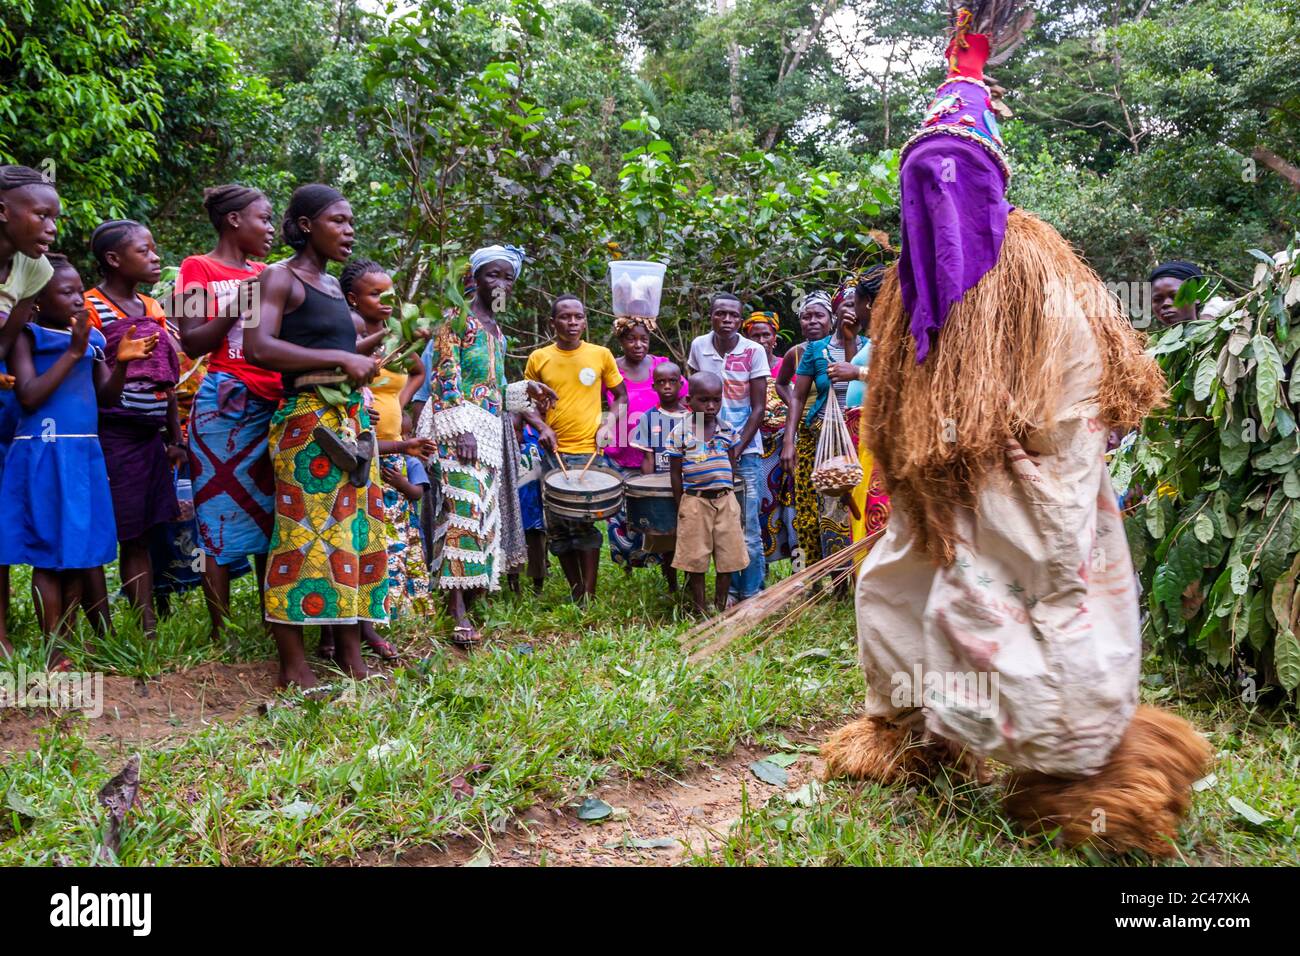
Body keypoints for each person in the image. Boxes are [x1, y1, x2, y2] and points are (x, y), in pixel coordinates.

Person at [821, 14, 1210, 858]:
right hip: (937, 479)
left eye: (955, 182)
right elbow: (894, 386)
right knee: (893, 587)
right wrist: (920, 462)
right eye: (924, 186)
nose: (941, 200)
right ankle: (914, 735)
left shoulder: (1041, 272)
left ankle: (1083, 774)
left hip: (1030, 475)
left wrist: (1000, 456)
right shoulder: (908, 282)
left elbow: (1086, 392)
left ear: (991, 186)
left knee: (1037, 607)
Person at [243, 183, 387, 688]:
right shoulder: (277, 278)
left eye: (351, 222)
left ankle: (350, 651)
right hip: (305, 423)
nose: (349, 231)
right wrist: (341, 357)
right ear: (306, 226)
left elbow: (336, 351)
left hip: (348, 421)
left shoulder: (332, 290)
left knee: (352, 533)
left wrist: (370, 349)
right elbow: (257, 348)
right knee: (303, 536)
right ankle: (293, 664)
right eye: (338, 221)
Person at [0, 255, 155, 661]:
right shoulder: (27, 337)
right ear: (36, 301)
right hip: (45, 452)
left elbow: (107, 398)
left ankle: (67, 640)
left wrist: (120, 363)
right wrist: (73, 350)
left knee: (77, 552)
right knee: (49, 554)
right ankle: (54, 648)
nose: (76, 299)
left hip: (83, 453)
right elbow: (29, 396)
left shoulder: (95, 340)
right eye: (65, 292)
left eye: (77, 289)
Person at [416, 243, 554, 644]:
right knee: (460, 511)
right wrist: (461, 430)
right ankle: (456, 609)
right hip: (456, 428)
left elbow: (491, 387)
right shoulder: (456, 321)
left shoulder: (497, 332)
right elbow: (446, 379)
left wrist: (528, 389)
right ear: (473, 279)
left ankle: (469, 597)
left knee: (482, 516)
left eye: (507, 277)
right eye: (492, 275)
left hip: (487, 429)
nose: (500, 284)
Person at [178, 184, 278, 642]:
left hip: (275, 402)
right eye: (264, 218)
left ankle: (270, 616)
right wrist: (239, 300)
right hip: (225, 404)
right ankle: (222, 629)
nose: (272, 228)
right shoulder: (196, 268)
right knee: (218, 511)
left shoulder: (268, 271)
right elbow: (192, 341)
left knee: (273, 510)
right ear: (234, 220)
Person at [87, 220, 183, 640]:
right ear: (113, 259)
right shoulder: (90, 307)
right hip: (109, 434)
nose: (155, 257)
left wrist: (174, 436)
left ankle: (146, 626)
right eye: (144, 251)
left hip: (150, 437)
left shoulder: (153, 308)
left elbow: (168, 380)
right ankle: (99, 629)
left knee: (142, 533)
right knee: (102, 531)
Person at [342, 259, 431, 648]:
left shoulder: (397, 337)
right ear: (352, 299)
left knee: (397, 529)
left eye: (389, 293)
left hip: (394, 445)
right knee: (366, 533)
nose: (386, 300)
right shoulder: (346, 336)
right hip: (361, 449)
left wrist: (399, 399)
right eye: (376, 294)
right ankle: (359, 617)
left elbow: (417, 372)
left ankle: (397, 605)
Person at [524, 293, 628, 602]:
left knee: (583, 522)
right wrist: (541, 427)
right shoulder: (538, 358)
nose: (572, 323)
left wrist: (609, 425)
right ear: (552, 322)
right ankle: (575, 590)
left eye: (578, 317)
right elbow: (522, 400)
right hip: (552, 454)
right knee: (558, 527)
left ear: (585, 320)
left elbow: (620, 396)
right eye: (565, 317)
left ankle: (588, 595)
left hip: (588, 453)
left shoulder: (601, 354)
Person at [0, 165, 59, 656]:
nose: (52, 227)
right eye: (41, 215)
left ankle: (0, 635)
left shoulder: (34, 270)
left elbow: (5, 343)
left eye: (54, 217)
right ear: (3, 212)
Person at [686, 293, 768, 603]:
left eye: (733, 315)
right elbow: (695, 397)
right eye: (721, 314)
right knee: (718, 524)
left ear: (741, 319)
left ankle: (750, 593)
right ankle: (727, 593)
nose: (727, 320)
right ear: (712, 317)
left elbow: (758, 408)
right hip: (708, 452)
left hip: (743, 452)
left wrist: (735, 448)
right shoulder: (699, 347)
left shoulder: (754, 351)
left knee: (746, 525)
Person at [781, 290, 863, 578]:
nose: (849, 312)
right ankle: (828, 577)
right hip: (819, 435)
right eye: (845, 307)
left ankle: (857, 571)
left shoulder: (869, 346)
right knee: (821, 508)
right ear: (837, 313)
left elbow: (856, 385)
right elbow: (798, 397)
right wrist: (788, 441)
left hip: (858, 436)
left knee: (856, 502)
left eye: (855, 306)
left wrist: (851, 340)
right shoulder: (815, 350)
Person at [603, 315, 683, 574]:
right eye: (631, 339)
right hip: (622, 451)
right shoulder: (611, 368)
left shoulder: (662, 366)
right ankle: (627, 565)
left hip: (659, 455)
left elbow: (687, 400)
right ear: (621, 341)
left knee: (658, 511)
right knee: (622, 513)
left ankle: (660, 564)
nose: (638, 345)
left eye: (643, 339)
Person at [668, 371, 748, 613]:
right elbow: (675, 473)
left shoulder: (728, 430)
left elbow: (732, 463)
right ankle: (700, 608)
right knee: (695, 559)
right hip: (695, 501)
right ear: (688, 401)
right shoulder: (680, 433)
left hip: (725, 500)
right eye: (704, 400)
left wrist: (728, 488)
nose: (711, 406)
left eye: (716, 399)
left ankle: (721, 606)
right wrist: (681, 504)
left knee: (729, 556)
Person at [835, 267, 891, 549]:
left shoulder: (897, 333)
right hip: (860, 431)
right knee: (858, 504)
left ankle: (876, 583)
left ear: (868, 302)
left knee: (874, 508)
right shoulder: (878, 335)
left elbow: (902, 378)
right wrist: (849, 340)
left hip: (877, 432)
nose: (853, 308)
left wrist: (857, 372)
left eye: (855, 301)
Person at [628, 360, 690, 591]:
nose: (667, 386)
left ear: (680, 383)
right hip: (662, 488)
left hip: (688, 486)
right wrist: (649, 491)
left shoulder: (693, 417)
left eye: (672, 381)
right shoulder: (648, 418)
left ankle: (691, 581)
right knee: (667, 536)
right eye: (661, 382)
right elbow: (648, 459)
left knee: (690, 535)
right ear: (654, 386)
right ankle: (672, 583)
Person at [742, 310, 795, 565]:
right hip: (759, 451)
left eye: (767, 334)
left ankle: (801, 572)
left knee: (794, 511)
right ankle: (762, 571)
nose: (762, 340)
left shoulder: (790, 365)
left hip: (789, 446)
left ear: (775, 337)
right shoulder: (743, 368)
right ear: (747, 338)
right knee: (761, 511)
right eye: (756, 335)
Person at [506, 416, 548, 595]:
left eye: (517, 431)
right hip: (512, 516)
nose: (514, 436)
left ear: (523, 428)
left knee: (537, 551)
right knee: (513, 553)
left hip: (534, 511)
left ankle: (538, 587)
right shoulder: (503, 454)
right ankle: (514, 589)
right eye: (510, 432)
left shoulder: (533, 449)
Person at [1149, 260, 1203, 327]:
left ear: (1197, 296)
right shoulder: (1145, 337)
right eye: (1157, 299)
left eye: (1175, 296)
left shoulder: (1216, 334)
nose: (1166, 304)